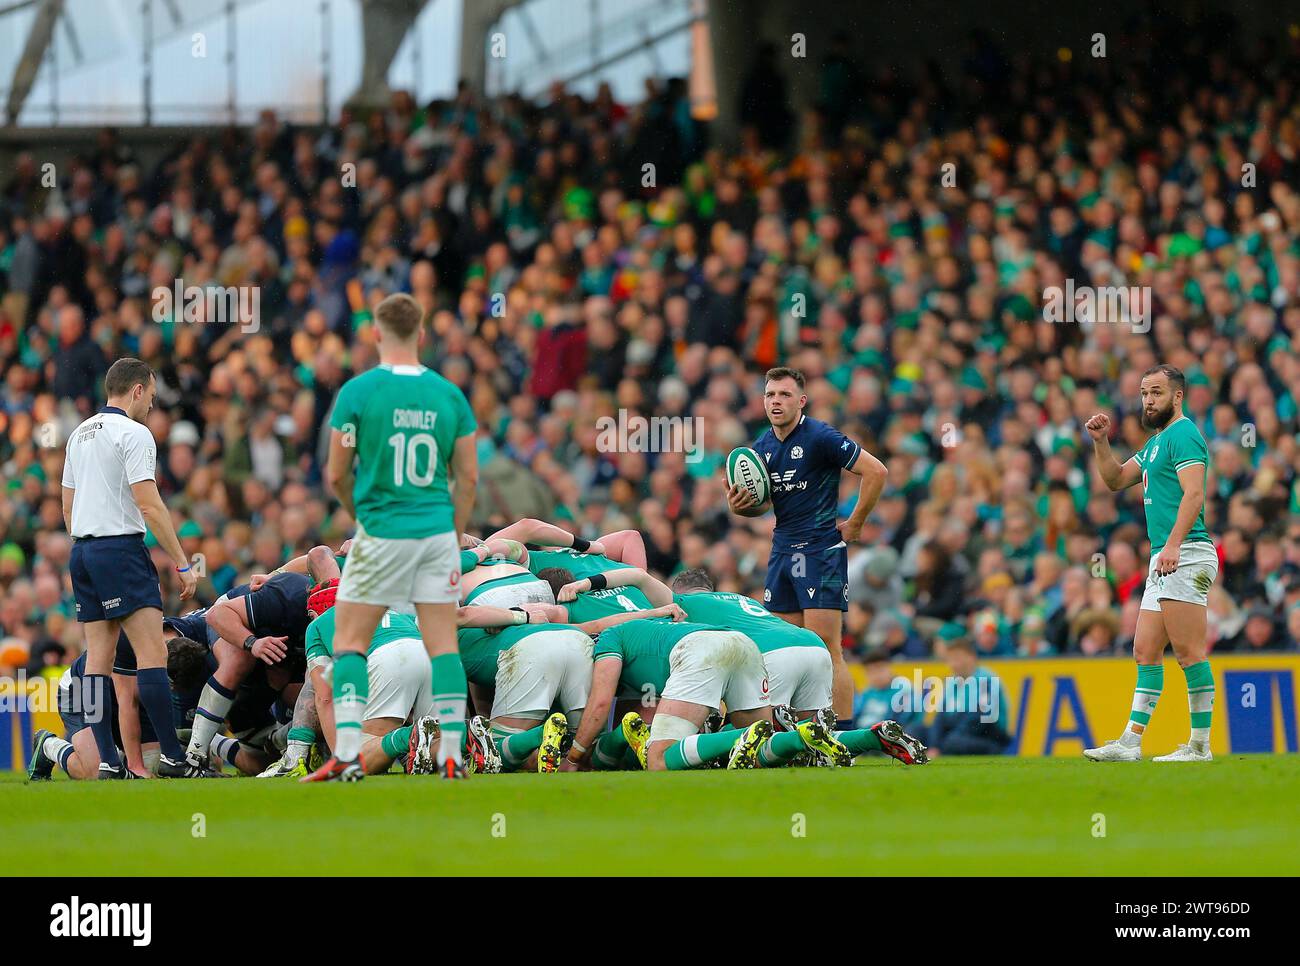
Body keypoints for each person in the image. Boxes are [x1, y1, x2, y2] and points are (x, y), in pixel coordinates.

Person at [307, 293, 478, 782]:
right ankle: (451, 753)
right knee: (443, 646)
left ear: (376, 334)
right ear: (421, 335)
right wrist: (453, 534)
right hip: (435, 535)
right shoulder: (449, 395)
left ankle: (347, 754)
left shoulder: (357, 393)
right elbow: (468, 478)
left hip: (380, 532)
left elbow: (335, 473)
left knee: (350, 644)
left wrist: (360, 513)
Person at [59, 357, 200, 778]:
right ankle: (174, 757)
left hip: (82, 551)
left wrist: (88, 543)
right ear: (137, 390)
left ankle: (108, 761)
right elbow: (149, 504)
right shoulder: (135, 433)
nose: (152, 406)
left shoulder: (78, 434)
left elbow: (67, 505)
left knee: (97, 661)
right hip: (120, 549)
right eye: (151, 397)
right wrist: (182, 563)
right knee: (152, 653)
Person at [727, 366, 888, 724]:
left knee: (826, 648)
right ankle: (797, 730)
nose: (776, 401)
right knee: (784, 648)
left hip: (819, 550)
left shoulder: (820, 436)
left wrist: (856, 522)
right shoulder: (762, 447)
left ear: (801, 401)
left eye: (784, 394)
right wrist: (741, 506)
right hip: (781, 551)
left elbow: (876, 471)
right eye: (770, 394)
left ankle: (843, 731)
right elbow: (763, 504)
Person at [1083, 365, 1220, 763]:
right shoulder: (1156, 442)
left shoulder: (1184, 434)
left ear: (1177, 396)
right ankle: (1130, 742)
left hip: (1187, 551)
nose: (1148, 400)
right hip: (1166, 555)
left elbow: (1194, 494)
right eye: (1144, 393)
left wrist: (1173, 545)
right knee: (1145, 650)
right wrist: (1101, 442)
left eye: (1156, 392)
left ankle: (1200, 746)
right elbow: (1114, 479)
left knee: (1189, 652)